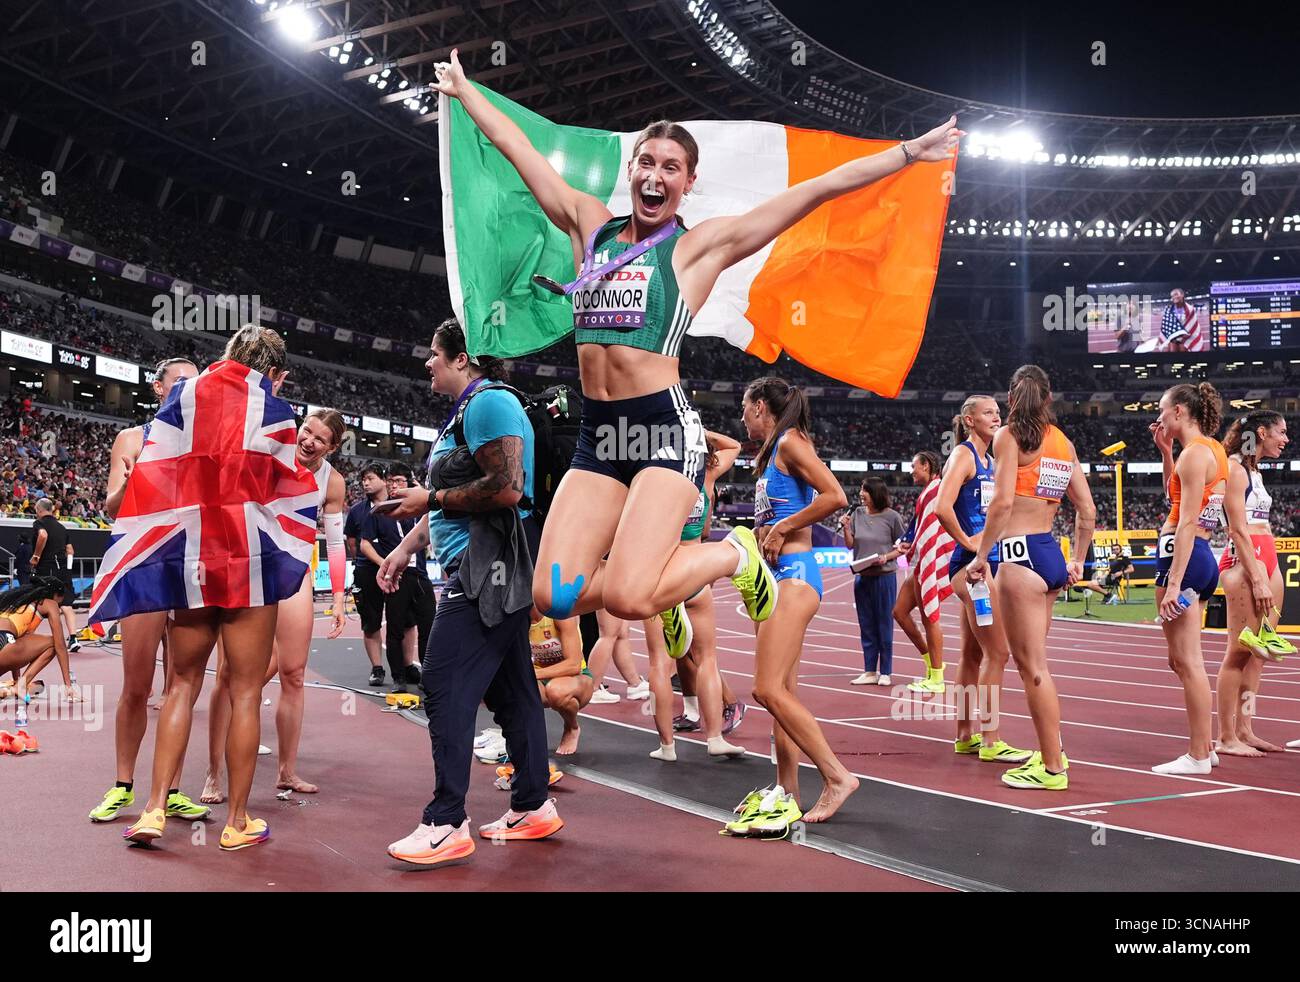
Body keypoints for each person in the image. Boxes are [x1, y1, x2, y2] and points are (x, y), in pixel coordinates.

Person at [431, 49, 962, 649]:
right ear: (632, 170)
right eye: (648, 163)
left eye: (672, 167)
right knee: (554, 592)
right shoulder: (589, 226)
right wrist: (464, 91)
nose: (656, 176)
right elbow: (521, 152)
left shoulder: (695, 250)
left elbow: (812, 193)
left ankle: (729, 554)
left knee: (631, 599)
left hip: (661, 430)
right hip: (599, 435)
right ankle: (665, 580)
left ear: (688, 182)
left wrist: (909, 154)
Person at [121, 325, 318, 850]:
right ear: (274, 372)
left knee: (180, 684)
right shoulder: (276, 411)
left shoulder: (183, 396)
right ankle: (235, 822)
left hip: (193, 562)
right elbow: (291, 493)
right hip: (248, 564)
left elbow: (155, 470)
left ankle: (154, 809)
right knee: (247, 692)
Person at [384, 318, 561, 867]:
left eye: (434, 354)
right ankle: (532, 804)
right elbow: (447, 502)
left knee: (442, 680)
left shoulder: (489, 403)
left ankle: (445, 821)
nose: (428, 363)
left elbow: (506, 489)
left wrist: (430, 498)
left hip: (491, 565)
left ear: (463, 358)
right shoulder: (468, 411)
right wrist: (406, 546)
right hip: (481, 560)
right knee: (513, 690)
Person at [726, 378, 856, 835]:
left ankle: (838, 777)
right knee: (782, 694)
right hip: (777, 580)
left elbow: (835, 496)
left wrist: (783, 528)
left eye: (744, 406)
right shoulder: (775, 449)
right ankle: (787, 790)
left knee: (766, 689)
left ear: (761, 405)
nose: (741, 416)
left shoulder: (792, 442)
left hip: (797, 577)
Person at [199, 409, 349, 800]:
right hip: (250, 565)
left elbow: (334, 542)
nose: (309, 441)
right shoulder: (271, 452)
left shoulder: (332, 483)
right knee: (228, 674)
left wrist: (337, 597)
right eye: (306, 431)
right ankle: (214, 774)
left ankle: (287, 771)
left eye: (320, 439)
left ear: (332, 448)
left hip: (293, 568)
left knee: (294, 674)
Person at [89, 355, 209, 823]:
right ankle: (122, 786)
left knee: (180, 685)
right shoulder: (131, 439)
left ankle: (172, 790)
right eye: (179, 381)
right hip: (143, 568)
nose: (187, 388)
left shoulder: (204, 445)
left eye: (195, 383)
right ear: (158, 388)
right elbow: (113, 505)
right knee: (136, 686)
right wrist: (139, 472)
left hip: (189, 571)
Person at [966, 365, 1095, 790]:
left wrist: (981, 557)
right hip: (1049, 553)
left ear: (1010, 399)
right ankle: (1051, 751)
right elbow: (1088, 512)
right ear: (1049, 397)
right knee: (1037, 664)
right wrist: (1077, 561)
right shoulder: (1064, 444)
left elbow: (1001, 504)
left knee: (1031, 669)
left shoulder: (1007, 439)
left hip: (1018, 556)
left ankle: (1053, 767)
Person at [934, 395, 1030, 764]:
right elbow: (942, 507)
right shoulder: (963, 455)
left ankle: (964, 735)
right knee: (999, 652)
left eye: (998, 412)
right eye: (989, 412)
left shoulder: (992, 461)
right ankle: (991, 740)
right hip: (972, 568)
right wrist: (971, 546)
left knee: (972, 654)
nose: (997, 417)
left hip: (986, 563)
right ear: (969, 420)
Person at [1149, 382, 1227, 775]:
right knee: (1181, 660)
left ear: (1180, 411)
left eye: (1163, 410)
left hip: (1185, 555)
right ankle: (1205, 746)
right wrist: (1166, 452)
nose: (1159, 417)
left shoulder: (1195, 456)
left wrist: (1175, 583)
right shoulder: (1209, 451)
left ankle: (1198, 754)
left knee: (1187, 660)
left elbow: (1186, 520)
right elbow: (1176, 497)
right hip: (1200, 558)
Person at [1216, 410, 1291, 756]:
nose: (1286, 439)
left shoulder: (1256, 470)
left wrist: (1269, 569)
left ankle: (1246, 729)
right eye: (1281, 432)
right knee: (1239, 652)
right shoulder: (1235, 467)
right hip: (1245, 561)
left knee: (1259, 654)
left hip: (1268, 556)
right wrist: (1257, 576)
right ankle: (1226, 736)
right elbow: (1236, 529)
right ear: (1261, 432)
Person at [667, 431, 746, 752]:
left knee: (694, 653)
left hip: (679, 567)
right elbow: (733, 445)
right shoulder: (706, 476)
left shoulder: (673, 481)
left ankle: (730, 704)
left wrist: (692, 429)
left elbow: (735, 446)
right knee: (684, 652)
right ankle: (697, 712)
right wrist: (698, 431)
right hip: (697, 564)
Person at [891, 451, 950, 693]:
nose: (911, 471)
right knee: (900, 612)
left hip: (930, 560)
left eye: (914, 466)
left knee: (929, 616)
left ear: (926, 466)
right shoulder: (927, 493)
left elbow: (934, 529)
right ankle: (933, 664)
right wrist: (909, 543)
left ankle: (937, 678)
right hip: (921, 561)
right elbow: (921, 528)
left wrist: (915, 546)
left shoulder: (937, 489)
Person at [843, 476, 906, 686]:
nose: (861, 494)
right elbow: (851, 545)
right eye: (861, 490)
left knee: (884, 624)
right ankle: (870, 671)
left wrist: (885, 557)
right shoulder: (857, 514)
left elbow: (903, 547)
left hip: (884, 577)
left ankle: (885, 671)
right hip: (862, 577)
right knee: (866, 625)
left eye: (865, 490)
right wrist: (844, 527)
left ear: (875, 493)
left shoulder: (893, 517)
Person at [384, 462, 436, 694]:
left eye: (399, 481)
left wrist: (422, 494)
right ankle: (398, 677)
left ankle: (429, 675)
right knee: (395, 628)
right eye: (391, 481)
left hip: (420, 576)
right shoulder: (383, 510)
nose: (394, 486)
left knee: (429, 627)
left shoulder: (423, 510)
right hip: (397, 576)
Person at [0, 576, 75, 729]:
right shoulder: (50, 603)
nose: (59, 607)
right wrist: (69, 686)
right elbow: (60, 645)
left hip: (6, 646)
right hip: (4, 644)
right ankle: (20, 685)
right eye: (60, 601)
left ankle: (17, 685)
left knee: (19, 642)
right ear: (55, 595)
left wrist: (17, 681)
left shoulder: (17, 602)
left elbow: (15, 649)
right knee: (53, 643)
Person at [344, 462, 392, 687]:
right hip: (367, 572)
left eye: (370, 478)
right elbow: (352, 542)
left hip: (396, 571)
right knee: (370, 622)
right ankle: (377, 668)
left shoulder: (398, 506)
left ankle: (406, 668)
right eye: (363, 479)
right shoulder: (356, 511)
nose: (365, 482)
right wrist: (365, 561)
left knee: (404, 621)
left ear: (384, 480)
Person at [527, 613, 592, 755]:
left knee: (556, 691)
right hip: (541, 678)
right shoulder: (519, 619)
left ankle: (571, 727)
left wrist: (532, 674)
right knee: (515, 690)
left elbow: (573, 665)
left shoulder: (559, 615)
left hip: (575, 678)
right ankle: (523, 739)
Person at [30, 497, 77, 649]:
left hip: (47, 568)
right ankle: (74, 638)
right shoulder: (62, 528)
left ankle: (31, 635)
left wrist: (36, 556)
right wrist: (68, 568)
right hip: (63, 569)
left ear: (39, 510)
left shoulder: (39, 523)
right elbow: (70, 550)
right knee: (66, 604)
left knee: (44, 603)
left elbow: (43, 535)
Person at [586, 610, 649, 704]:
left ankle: (635, 684)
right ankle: (592, 689)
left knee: (622, 631)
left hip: (617, 595)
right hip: (607, 595)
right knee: (609, 633)